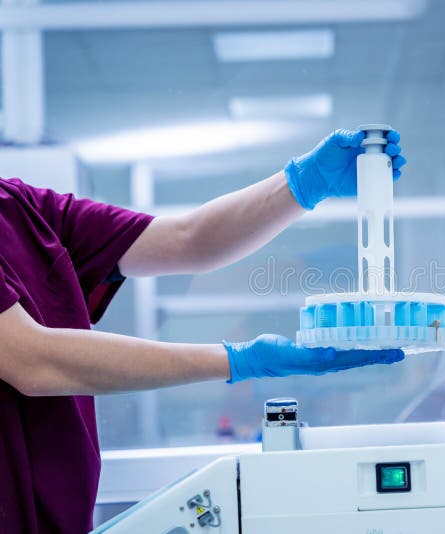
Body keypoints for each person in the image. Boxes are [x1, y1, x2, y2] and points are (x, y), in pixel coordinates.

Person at [0, 128, 407, 532]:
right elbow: (33, 362)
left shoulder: (19, 209)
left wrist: (301, 184)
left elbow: (188, 239)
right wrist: (239, 359)